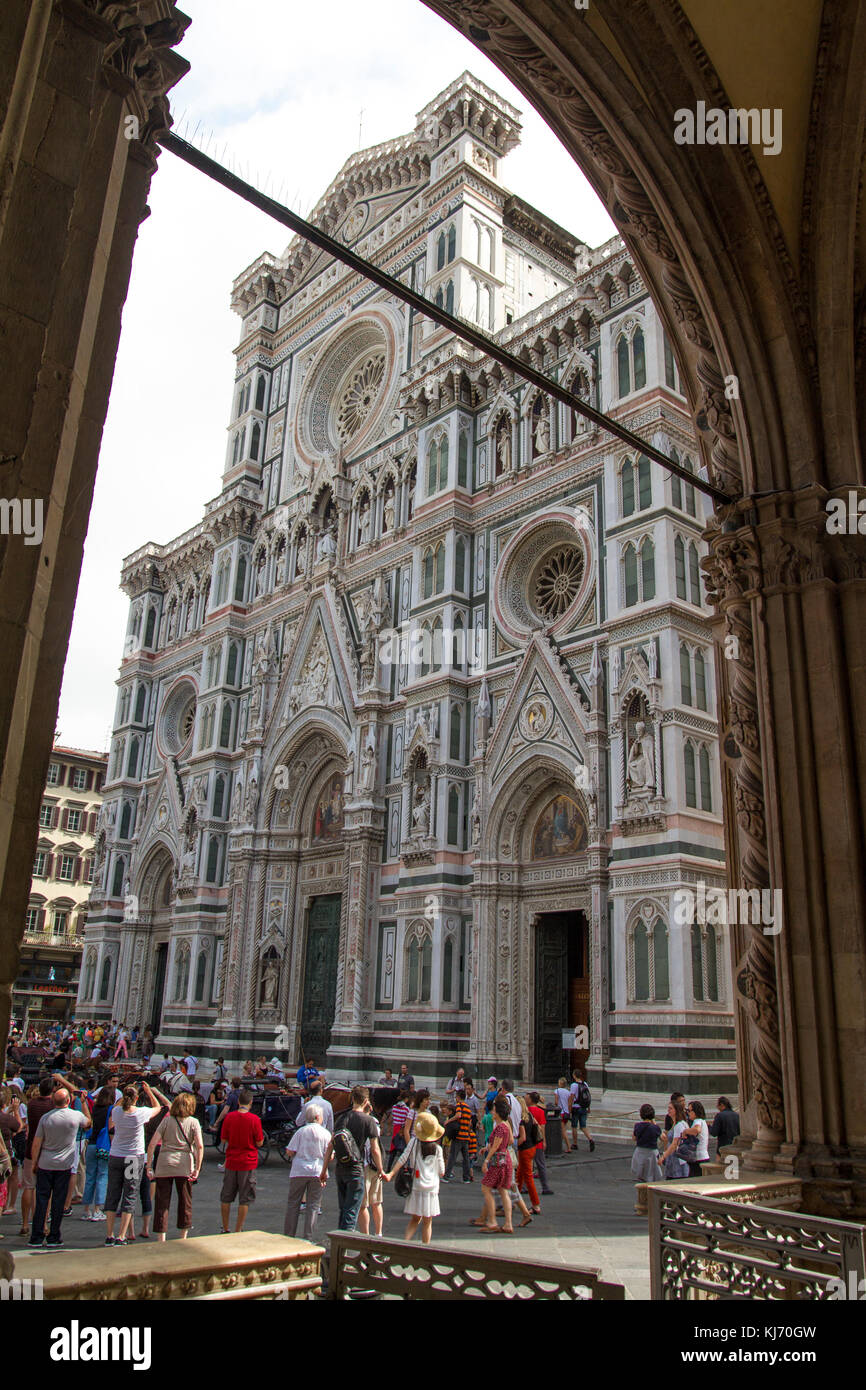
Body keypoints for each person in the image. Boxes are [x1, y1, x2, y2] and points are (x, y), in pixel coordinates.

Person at [29, 1083, 91, 1249]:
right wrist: (84, 1103)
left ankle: (36, 1235)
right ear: (68, 1100)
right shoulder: (75, 1116)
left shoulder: (46, 1118)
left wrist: (34, 1162)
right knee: (58, 1201)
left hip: (45, 1163)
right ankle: (54, 1236)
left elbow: (36, 1143)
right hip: (64, 1165)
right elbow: (89, 1123)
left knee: (42, 1200)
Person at [104, 1081, 164, 1246]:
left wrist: (127, 1092)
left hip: (115, 1155)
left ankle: (109, 1234)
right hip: (132, 1157)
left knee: (112, 1193)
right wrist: (149, 1091)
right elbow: (158, 1107)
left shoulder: (116, 1112)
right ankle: (121, 1235)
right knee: (129, 1194)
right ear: (137, 1098)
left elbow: (117, 1107)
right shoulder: (140, 1113)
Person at [319, 1085, 382, 1232]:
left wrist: (324, 1170)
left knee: (344, 1209)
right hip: (356, 1169)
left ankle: (339, 1245)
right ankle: (345, 1246)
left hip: (340, 1169)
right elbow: (375, 1149)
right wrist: (380, 1169)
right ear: (366, 1101)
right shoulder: (369, 1121)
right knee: (351, 1212)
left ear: (352, 1099)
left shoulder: (342, 1118)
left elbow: (330, 1146)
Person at [383, 1110, 445, 1244]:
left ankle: (405, 1243)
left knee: (415, 1219)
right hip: (431, 1188)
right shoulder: (438, 1150)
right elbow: (442, 1172)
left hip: (416, 1185)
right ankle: (425, 1248)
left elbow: (403, 1158)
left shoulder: (414, 1143)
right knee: (428, 1222)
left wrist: (391, 1173)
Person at [147, 1091, 203, 1241]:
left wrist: (149, 1166)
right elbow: (200, 1146)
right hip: (184, 1164)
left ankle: (161, 1236)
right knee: (185, 1201)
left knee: (162, 1201)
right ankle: (183, 1236)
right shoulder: (194, 1122)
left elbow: (152, 1144)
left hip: (165, 1163)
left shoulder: (167, 1121)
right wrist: (197, 1168)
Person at [219, 1088, 264, 1233]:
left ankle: (226, 1227)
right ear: (250, 1103)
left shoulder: (230, 1117)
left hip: (232, 1160)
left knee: (226, 1196)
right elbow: (259, 1142)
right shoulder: (254, 1119)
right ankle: (238, 1229)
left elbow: (224, 1139)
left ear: (238, 1102)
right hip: (248, 1162)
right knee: (245, 1198)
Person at [284, 1102, 330, 1241]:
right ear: (318, 1117)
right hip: (317, 1170)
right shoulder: (325, 1133)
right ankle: (308, 1237)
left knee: (293, 1203)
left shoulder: (301, 1132)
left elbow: (290, 1151)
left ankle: (289, 1235)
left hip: (299, 1170)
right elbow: (330, 1154)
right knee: (313, 1205)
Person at [20, 1075, 56, 1238]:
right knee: (45, 1190)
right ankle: (42, 1223)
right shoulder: (52, 1105)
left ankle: (25, 1223)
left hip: (30, 1150)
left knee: (29, 1187)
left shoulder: (31, 1104)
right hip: (46, 1150)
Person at [475, 1097, 515, 1233]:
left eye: (493, 1110)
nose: (492, 1112)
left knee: (486, 1188)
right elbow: (509, 1141)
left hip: (498, 1162)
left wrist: (486, 1160)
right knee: (504, 1191)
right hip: (506, 1160)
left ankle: (492, 1221)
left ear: (497, 1113)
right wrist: (487, 1148)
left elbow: (496, 1145)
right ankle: (508, 1224)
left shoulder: (499, 1128)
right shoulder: (505, 1125)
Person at [81, 1083, 115, 1220]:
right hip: (104, 1145)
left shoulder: (95, 1108)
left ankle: (86, 1209)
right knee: (102, 1176)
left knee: (90, 1177)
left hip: (91, 1144)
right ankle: (97, 1209)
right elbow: (111, 1128)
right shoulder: (111, 1109)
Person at [516, 1096, 542, 1214]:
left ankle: (536, 1205)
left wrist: (514, 1144)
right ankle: (514, 1199)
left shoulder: (521, 1119)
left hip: (524, 1149)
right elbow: (538, 1127)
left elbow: (522, 1138)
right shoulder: (530, 1116)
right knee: (520, 1175)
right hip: (532, 1147)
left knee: (527, 1177)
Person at [526, 1092, 554, 1196]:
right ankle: (545, 1187)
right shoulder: (540, 1112)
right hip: (537, 1142)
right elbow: (542, 1128)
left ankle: (524, 1186)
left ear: (531, 1100)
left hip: (527, 1142)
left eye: (527, 1098)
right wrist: (544, 1140)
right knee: (541, 1165)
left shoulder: (526, 1111)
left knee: (526, 1165)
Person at [442, 1090, 473, 1183]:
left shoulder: (459, 1105)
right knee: (466, 1158)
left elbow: (458, 1115)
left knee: (452, 1156)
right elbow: (469, 1122)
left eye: (456, 1096)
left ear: (458, 1097)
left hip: (459, 1135)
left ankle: (446, 1176)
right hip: (465, 1136)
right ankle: (466, 1178)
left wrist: (448, 1121)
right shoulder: (468, 1108)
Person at [631, 1103, 663, 1188]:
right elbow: (663, 1138)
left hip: (640, 1151)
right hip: (652, 1152)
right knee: (653, 1175)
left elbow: (634, 1138)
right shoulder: (655, 1127)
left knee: (641, 1175)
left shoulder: (637, 1126)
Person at [659, 1099, 690, 1179]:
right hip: (673, 1159)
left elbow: (674, 1144)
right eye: (668, 1108)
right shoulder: (677, 1124)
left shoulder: (679, 1125)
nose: (668, 1110)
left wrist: (663, 1156)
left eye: (671, 1108)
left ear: (676, 1110)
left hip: (676, 1160)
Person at [569, 1069, 596, 1152]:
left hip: (576, 1107)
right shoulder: (585, 1084)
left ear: (574, 1076)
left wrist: (569, 1108)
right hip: (584, 1107)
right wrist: (588, 1107)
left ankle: (575, 1144)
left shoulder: (574, 1085)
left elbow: (572, 1097)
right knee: (583, 1126)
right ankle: (591, 1139)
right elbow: (588, 1096)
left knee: (574, 1126)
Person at [681, 1101, 710, 1177]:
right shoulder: (702, 1121)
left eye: (689, 1111)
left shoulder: (697, 1121)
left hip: (698, 1158)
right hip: (703, 1156)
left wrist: (685, 1131)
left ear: (695, 1112)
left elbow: (697, 1130)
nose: (688, 1113)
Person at [387, 1090, 413, 1170]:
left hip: (395, 1128)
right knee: (403, 1149)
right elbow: (407, 1120)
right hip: (402, 1129)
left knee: (393, 1150)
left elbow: (392, 1117)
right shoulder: (406, 1109)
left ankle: (388, 1168)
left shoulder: (394, 1107)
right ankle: (402, 1168)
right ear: (406, 1099)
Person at [554, 1076, 573, 1153]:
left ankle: (569, 1147)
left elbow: (556, 1102)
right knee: (562, 1129)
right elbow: (569, 1103)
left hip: (560, 1113)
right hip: (566, 1113)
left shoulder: (557, 1091)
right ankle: (559, 1145)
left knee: (563, 1131)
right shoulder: (568, 1092)